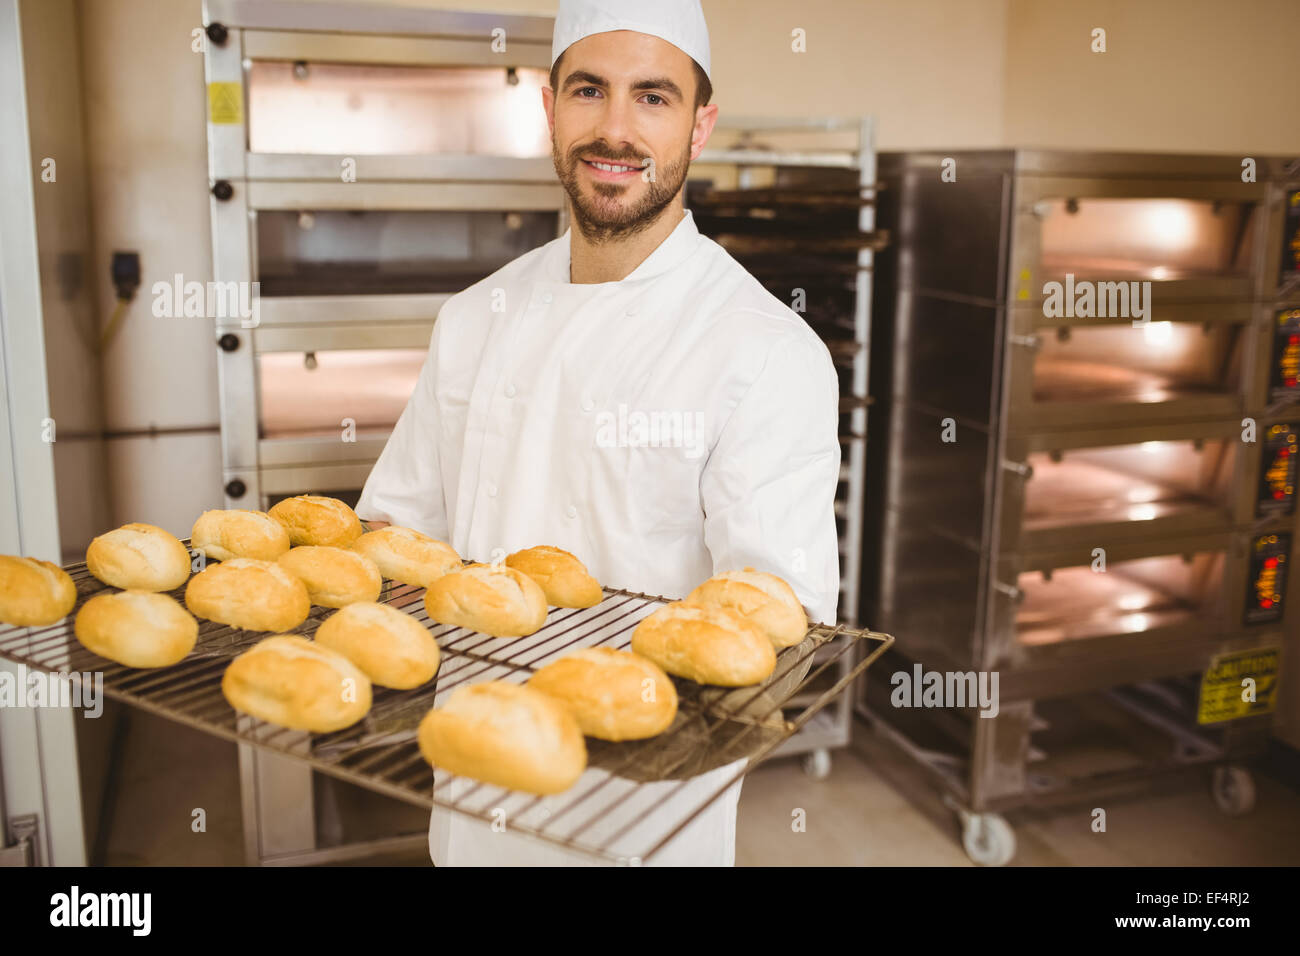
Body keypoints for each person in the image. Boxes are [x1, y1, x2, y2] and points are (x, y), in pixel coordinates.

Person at [355, 0, 841, 866]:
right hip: (471, 796)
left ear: (701, 126)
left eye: (653, 98)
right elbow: (397, 533)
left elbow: (779, 623)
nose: (615, 129)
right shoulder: (475, 318)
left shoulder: (765, 351)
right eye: (589, 91)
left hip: (643, 821)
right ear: (549, 109)